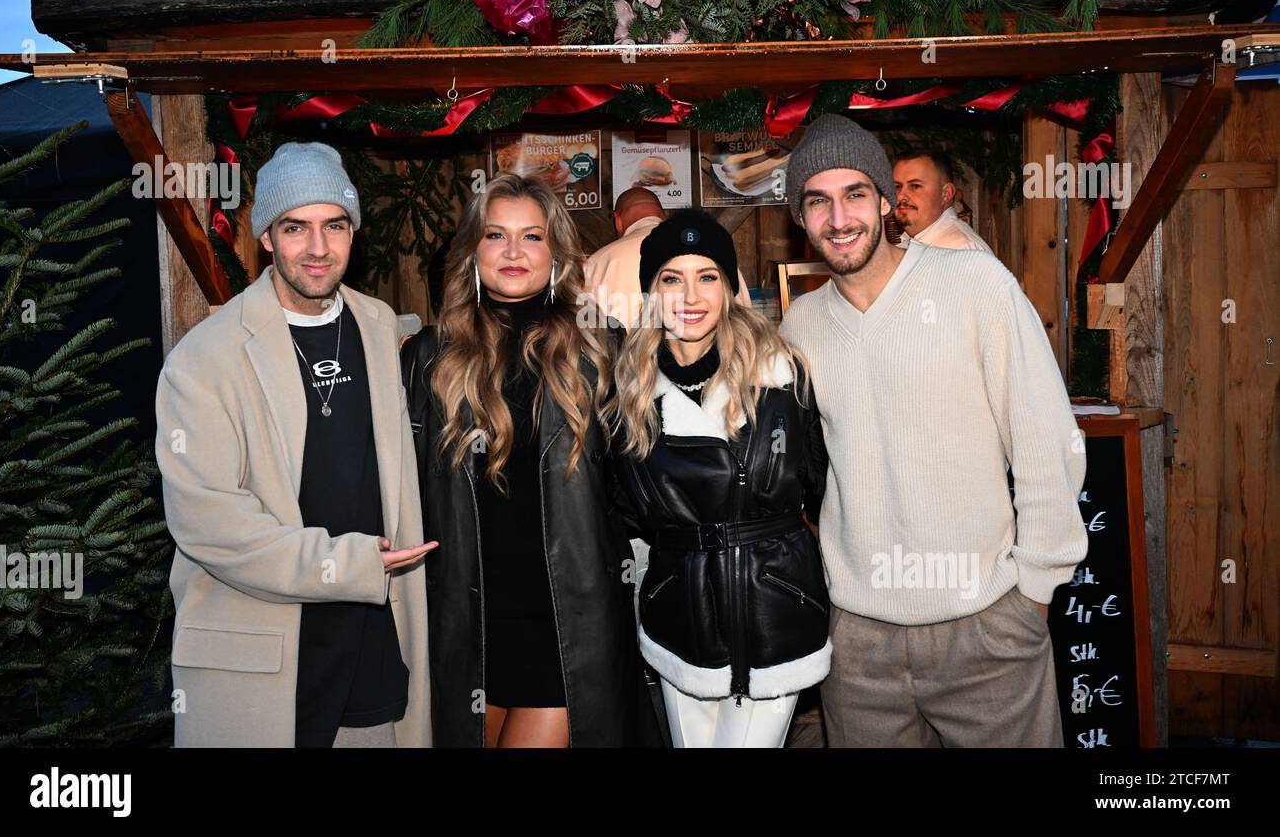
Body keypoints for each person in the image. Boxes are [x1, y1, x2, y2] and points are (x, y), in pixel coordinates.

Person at [780, 115, 1088, 747]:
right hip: (858, 644)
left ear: (887, 201)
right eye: (817, 201)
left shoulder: (975, 285)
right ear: (800, 218)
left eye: (855, 194)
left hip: (986, 627)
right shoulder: (801, 327)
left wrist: (1035, 591)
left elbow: (1045, 439)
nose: (839, 218)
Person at [155, 141, 435, 747]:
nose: (317, 248)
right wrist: (352, 565)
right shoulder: (203, 359)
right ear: (265, 237)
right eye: (295, 227)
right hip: (263, 652)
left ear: (352, 232)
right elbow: (210, 527)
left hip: (370, 645)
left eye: (335, 225)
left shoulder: (380, 324)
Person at [400, 172, 652, 747]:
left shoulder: (600, 343)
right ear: (472, 251)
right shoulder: (428, 354)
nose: (514, 252)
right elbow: (404, 485)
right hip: (470, 621)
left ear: (557, 252)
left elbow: (638, 483)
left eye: (532, 237)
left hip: (566, 620)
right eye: (496, 235)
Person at [609, 209, 830, 748]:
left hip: (775, 611)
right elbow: (625, 512)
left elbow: (820, 485)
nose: (690, 297)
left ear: (730, 288)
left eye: (707, 276)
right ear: (651, 292)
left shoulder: (782, 376)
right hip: (679, 618)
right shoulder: (627, 393)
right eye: (671, 279)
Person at [584, 187, 752, 329]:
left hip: (623, 364)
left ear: (617, 221)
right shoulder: (712, 251)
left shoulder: (596, 264)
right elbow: (744, 318)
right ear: (664, 215)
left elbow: (585, 328)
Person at [891, 149, 994, 253]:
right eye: (898, 186)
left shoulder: (960, 250)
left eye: (915, 186)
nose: (900, 196)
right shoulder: (910, 243)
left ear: (946, 194)